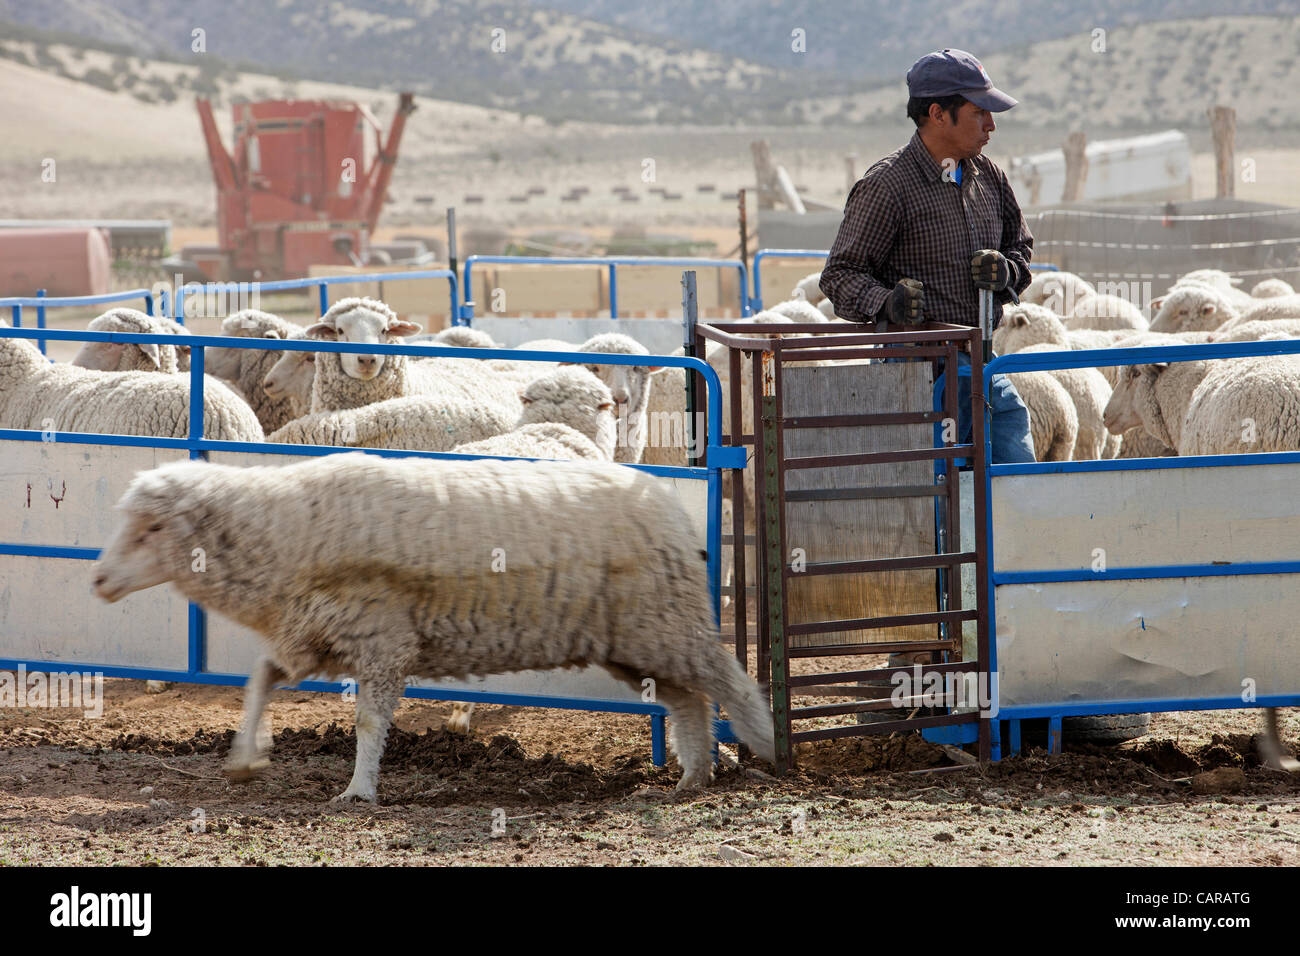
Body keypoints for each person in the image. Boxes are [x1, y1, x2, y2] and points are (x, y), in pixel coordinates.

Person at [820, 48, 1036, 465]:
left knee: (1020, 492)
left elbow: (1021, 248)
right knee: (940, 509)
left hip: (984, 366)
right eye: (979, 112)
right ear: (938, 114)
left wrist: (1006, 270)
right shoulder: (888, 187)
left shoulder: (988, 176)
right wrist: (887, 302)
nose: (991, 124)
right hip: (917, 378)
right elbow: (839, 275)